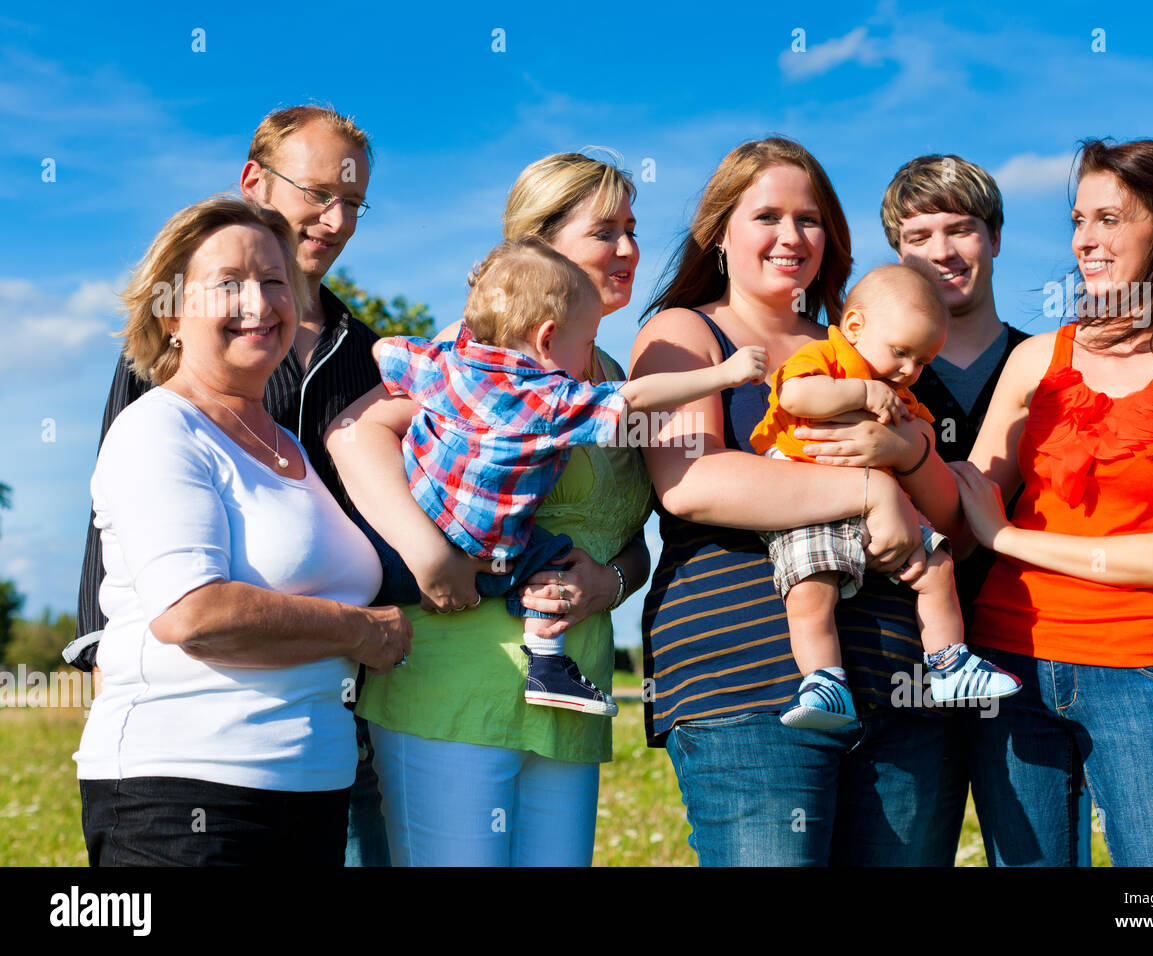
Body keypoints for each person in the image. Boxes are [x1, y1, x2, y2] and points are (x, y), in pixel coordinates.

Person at [66, 105, 400, 866]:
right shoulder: (162, 413)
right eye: (319, 192)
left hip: (321, 757)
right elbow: (172, 590)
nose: (337, 218)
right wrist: (101, 653)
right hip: (189, 776)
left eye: (354, 202)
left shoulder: (363, 365)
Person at [630, 136, 964, 865]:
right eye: (767, 217)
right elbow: (693, 483)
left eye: (809, 219)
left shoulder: (874, 344)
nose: (791, 237)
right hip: (750, 684)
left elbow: (946, 518)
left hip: (900, 682)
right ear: (720, 233)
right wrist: (870, 489)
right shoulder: (685, 334)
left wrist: (906, 454)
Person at [326, 152, 653, 865]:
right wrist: (430, 555)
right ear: (540, 246)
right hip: (454, 679)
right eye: (606, 231)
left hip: (567, 688)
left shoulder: (617, 379)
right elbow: (354, 434)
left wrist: (611, 582)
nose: (628, 249)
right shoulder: (480, 350)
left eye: (633, 228)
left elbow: (629, 533)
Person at [950, 138, 1153, 866]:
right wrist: (886, 438)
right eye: (1077, 219)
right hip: (1011, 663)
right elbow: (965, 499)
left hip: (1147, 672)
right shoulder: (1040, 358)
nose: (1086, 240)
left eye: (1110, 218)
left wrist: (1006, 539)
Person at [370, 238, 765, 715]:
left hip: (412, 527)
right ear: (547, 339)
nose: (591, 357)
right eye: (588, 343)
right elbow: (636, 398)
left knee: (376, 596)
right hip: (487, 550)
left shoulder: (446, 363)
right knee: (552, 558)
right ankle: (547, 665)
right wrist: (723, 374)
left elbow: (386, 352)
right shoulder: (552, 399)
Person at [749, 265, 1020, 729]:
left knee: (937, 564)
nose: (910, 370)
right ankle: (824, 680)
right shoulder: (825, 357)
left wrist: (910, 439)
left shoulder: (896, 391)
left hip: (879, 511)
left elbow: (923, 436)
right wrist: (861, 391)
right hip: (810, 502)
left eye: (924, 361)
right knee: (811, 590)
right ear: (854, 327)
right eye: (901, 352)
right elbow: (795, 397)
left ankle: (949, 662)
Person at [876, 154, 1046, 864]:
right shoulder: (871, 373)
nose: (942, 251)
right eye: (919, 236)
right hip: (901, 658)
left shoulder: (1045, 364)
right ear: (897, 252)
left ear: (996, 237)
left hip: (1029, 657)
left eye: (961, 229)